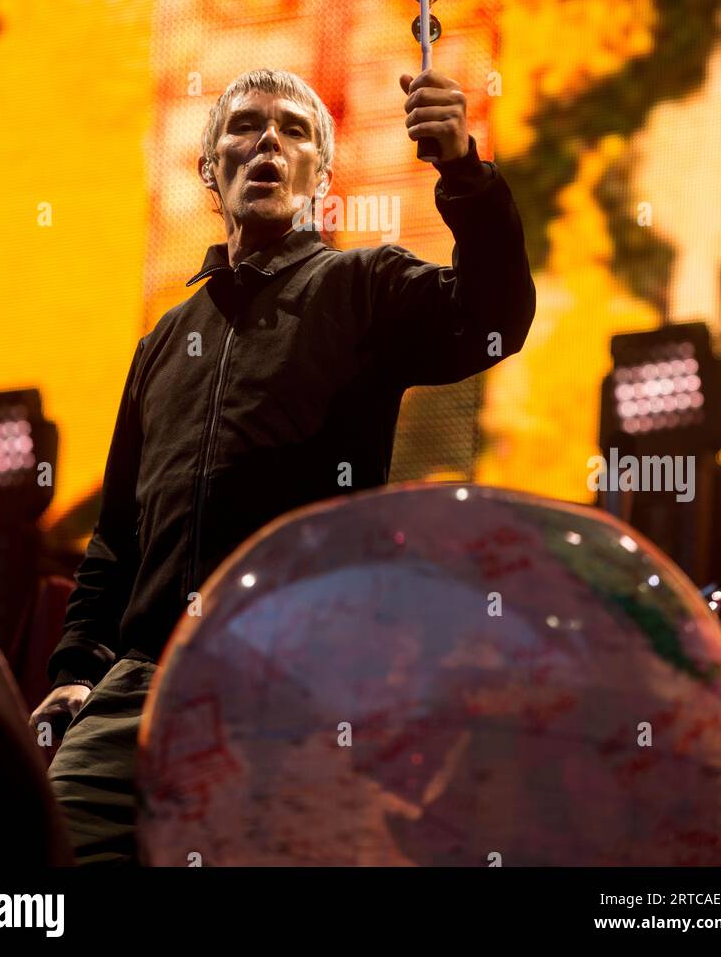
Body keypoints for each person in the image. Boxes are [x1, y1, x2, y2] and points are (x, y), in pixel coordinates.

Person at [30, 65, 536, 865]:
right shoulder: (162, 344)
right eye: (244, 126)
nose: (268, 139)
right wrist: (73, 669)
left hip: (292, 688)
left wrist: (462, 171)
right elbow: (117, 536)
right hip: (137, 694)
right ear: (208, 169)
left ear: (321, 178)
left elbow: (494, 321)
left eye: (296, 130)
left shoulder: (363, 286)